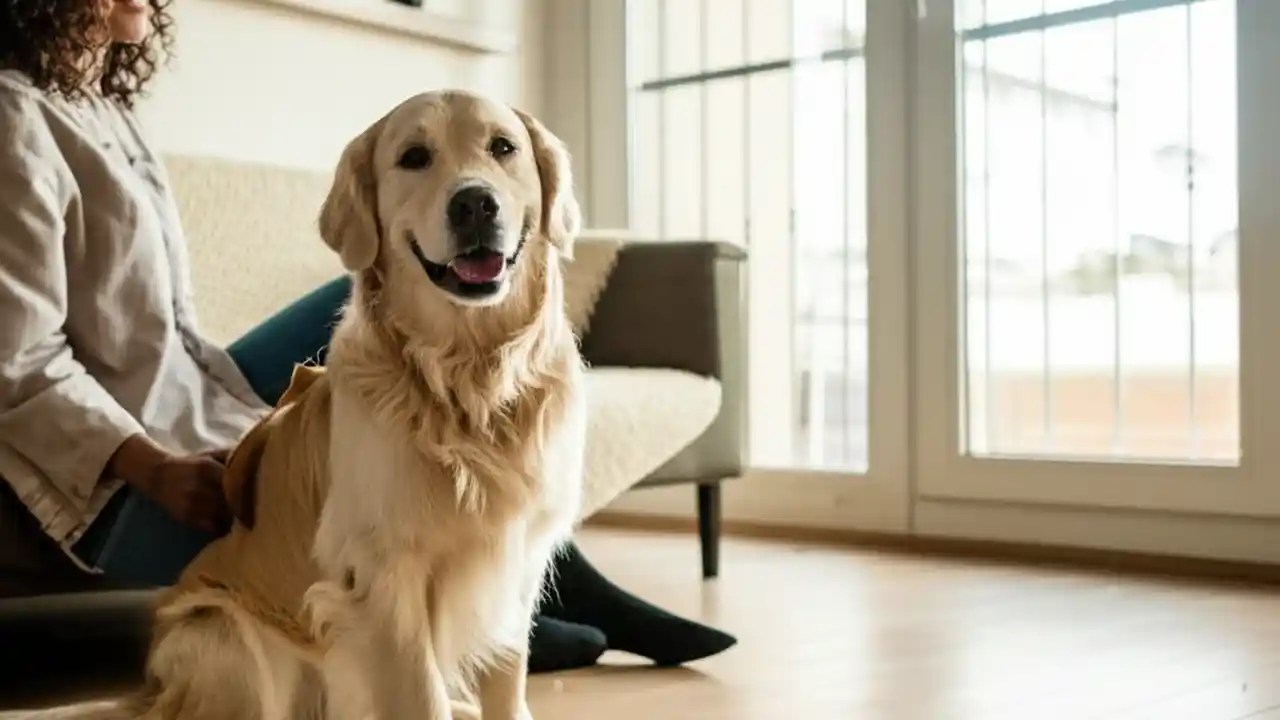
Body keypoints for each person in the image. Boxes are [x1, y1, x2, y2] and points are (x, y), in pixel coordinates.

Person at [0, 0, 735, 674]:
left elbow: (160, 333)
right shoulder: (13, 117)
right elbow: (19, 364)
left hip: (199, 396)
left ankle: (538, 584)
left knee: (377, 286)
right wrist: (157, 468)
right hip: (124, 482)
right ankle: (511, 625)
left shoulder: (104, 111)